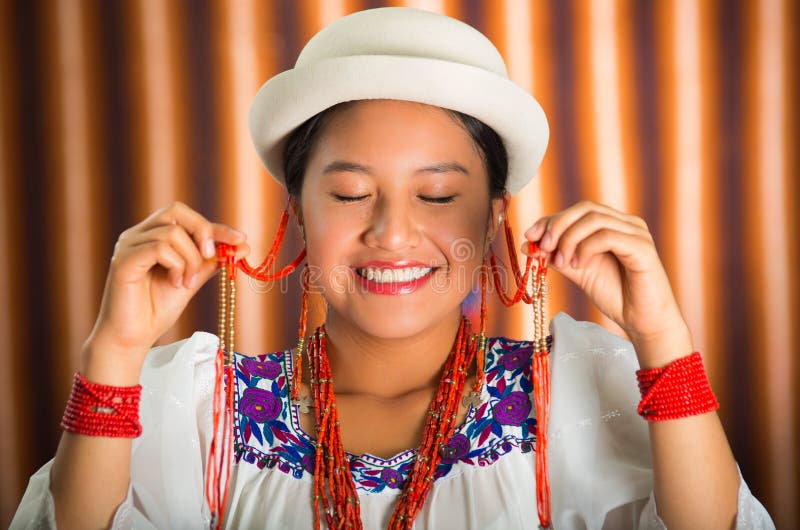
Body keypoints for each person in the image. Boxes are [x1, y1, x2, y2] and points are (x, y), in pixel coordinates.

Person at [11, 6, 774, 530]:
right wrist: (115, 351)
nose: (393, 233)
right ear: (297, 213)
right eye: (350, 194)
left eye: (438, 196)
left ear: (494, 216)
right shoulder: (200, 408)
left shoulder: (574, 393)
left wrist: (660, 335)